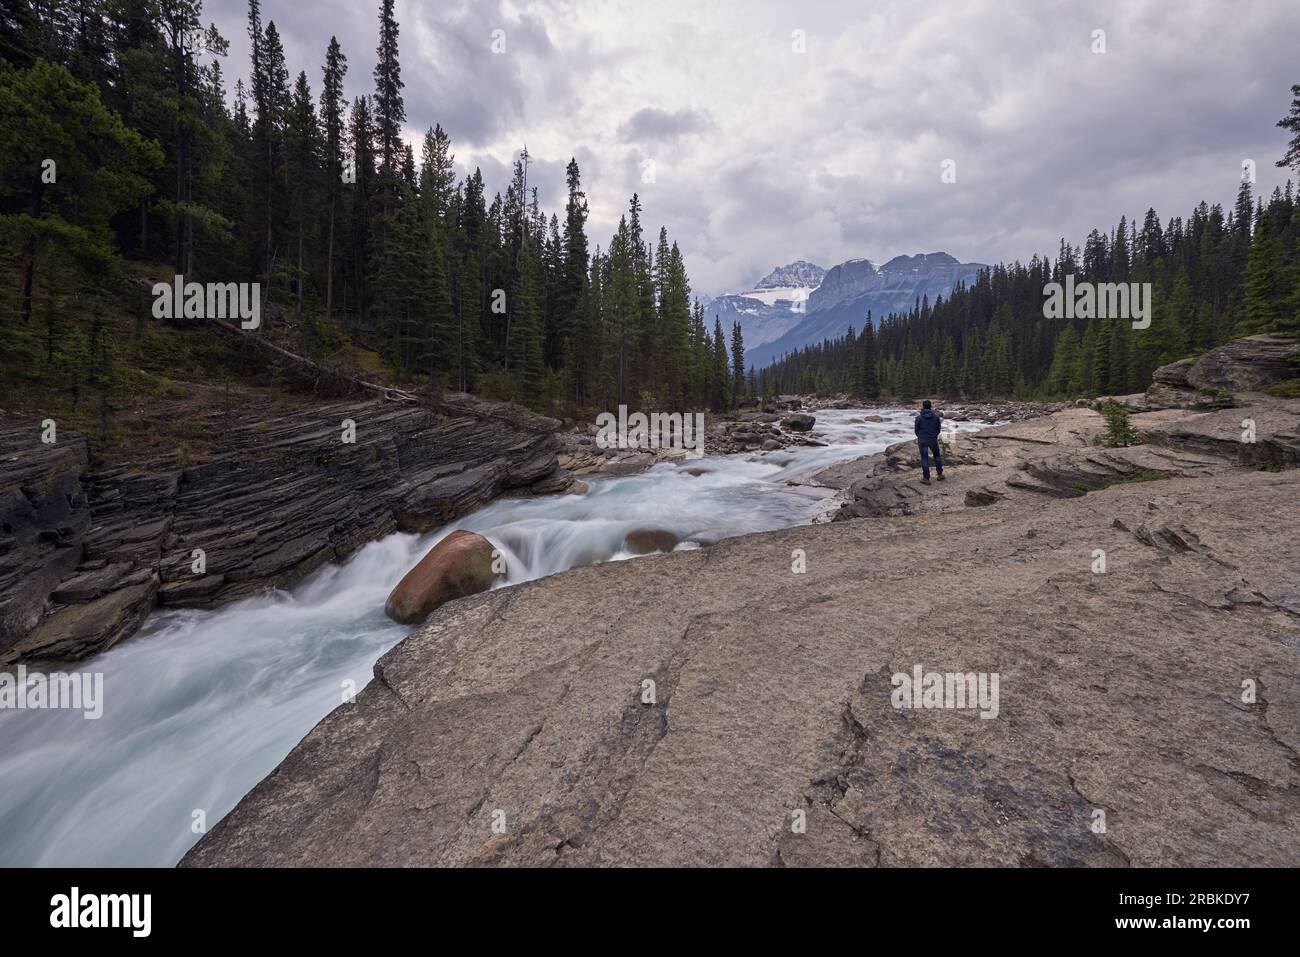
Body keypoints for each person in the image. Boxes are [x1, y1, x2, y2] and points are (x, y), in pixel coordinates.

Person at [914, 400, 944, 484]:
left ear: (923, 406)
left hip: (922, 440)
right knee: (937, 456)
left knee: (924, 458)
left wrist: (920, 436)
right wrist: (934, 435)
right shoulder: (936, 417)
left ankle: (926, 478)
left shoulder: (918, 418)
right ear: (930, 406)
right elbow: (938, 429)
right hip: (933, 439)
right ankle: (940, 474)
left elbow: (916, 430)